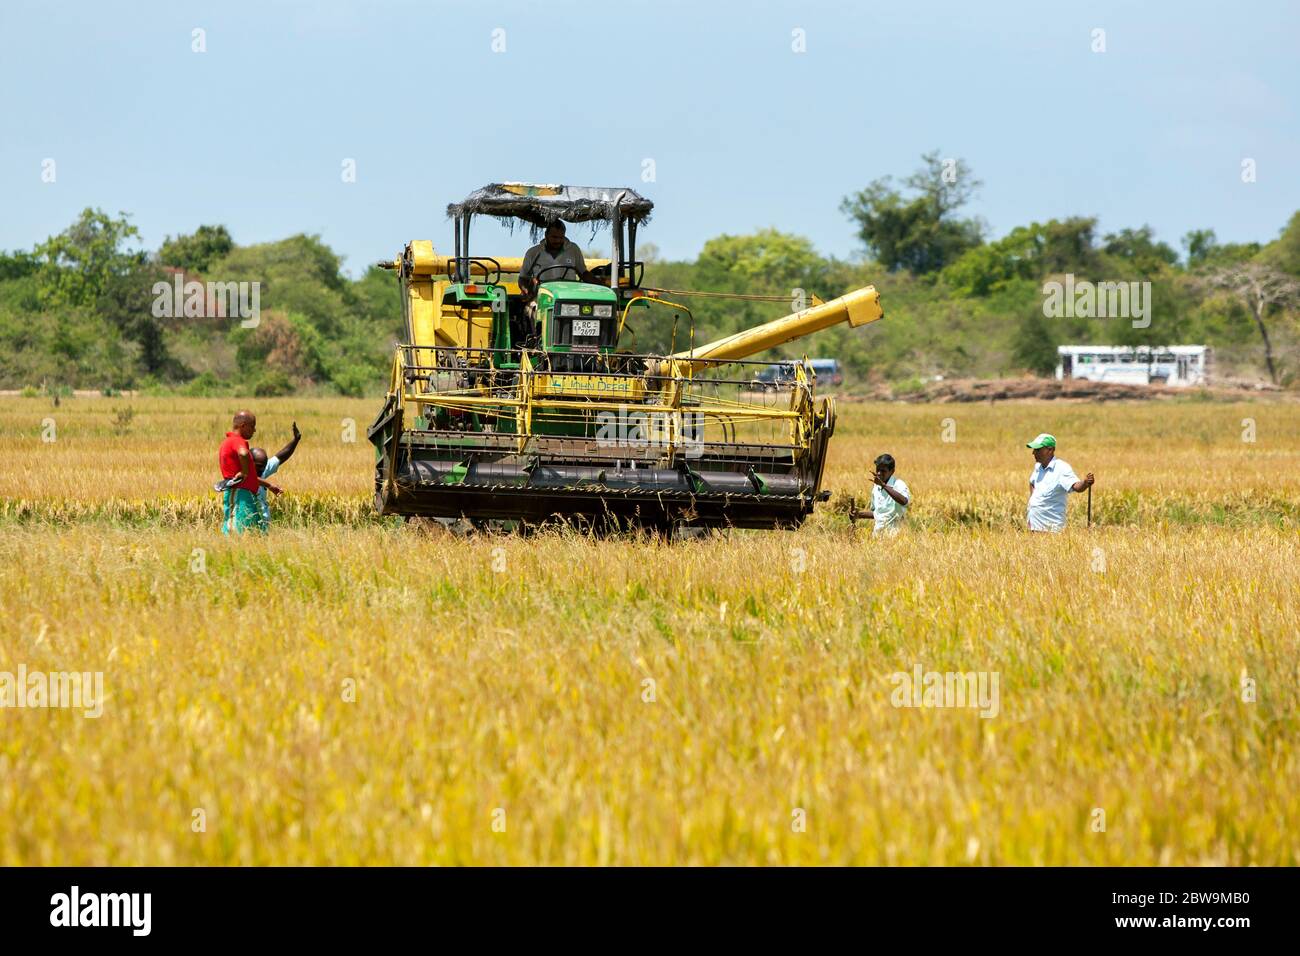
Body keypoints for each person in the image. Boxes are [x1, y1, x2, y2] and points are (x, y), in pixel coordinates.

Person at [217, 410, 281, 534]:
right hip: (240, 495)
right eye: (252, 426)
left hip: (245, 494)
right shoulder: (237, 441)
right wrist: (245, 472)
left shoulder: (231, 441)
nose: (254, 430)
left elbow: (246, 476)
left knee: (254, 533)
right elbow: (244, 454)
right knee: (237, 532)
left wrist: (269, 485)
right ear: (243, 426)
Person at [1025, 433, 1094, 532]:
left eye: (1038, 450)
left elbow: (1076, 486)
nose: (1033, 453)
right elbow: (1032, 482)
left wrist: (1085, 483)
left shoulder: (1061, 468)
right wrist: (1033, 501)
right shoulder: (1038, 467)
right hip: (1033, 528)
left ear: (1050, 450)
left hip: (1051, 531)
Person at [518, 221, 590, 300]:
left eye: (561, 237)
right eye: (554, 237)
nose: (558, 241)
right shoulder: (533, 252)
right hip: (542, 297)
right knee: (530, 310)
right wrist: (526, 291)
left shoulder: (573, 249)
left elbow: (584, 273)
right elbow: (523, 278)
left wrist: (602, 286)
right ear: (546, 235)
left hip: (569, 297)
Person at [250, 422, 302, 527]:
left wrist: (296, 440)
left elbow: (280, 457)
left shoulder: (262, 469)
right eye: (259, 466)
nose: (262, 470)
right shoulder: (241, 477)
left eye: (264, 466)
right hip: (248, 524)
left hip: (264, 525)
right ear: (249, 462)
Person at [861, 453, 911, 535]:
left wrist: (883, 486)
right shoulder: (876, 488)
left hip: (896, 535)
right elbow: (878, 513)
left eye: (883, 471)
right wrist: (860, 514)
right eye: (878, 470)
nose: (879, 473)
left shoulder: (898, 484)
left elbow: (904, 501)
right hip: (878, 535)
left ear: (892, 471)